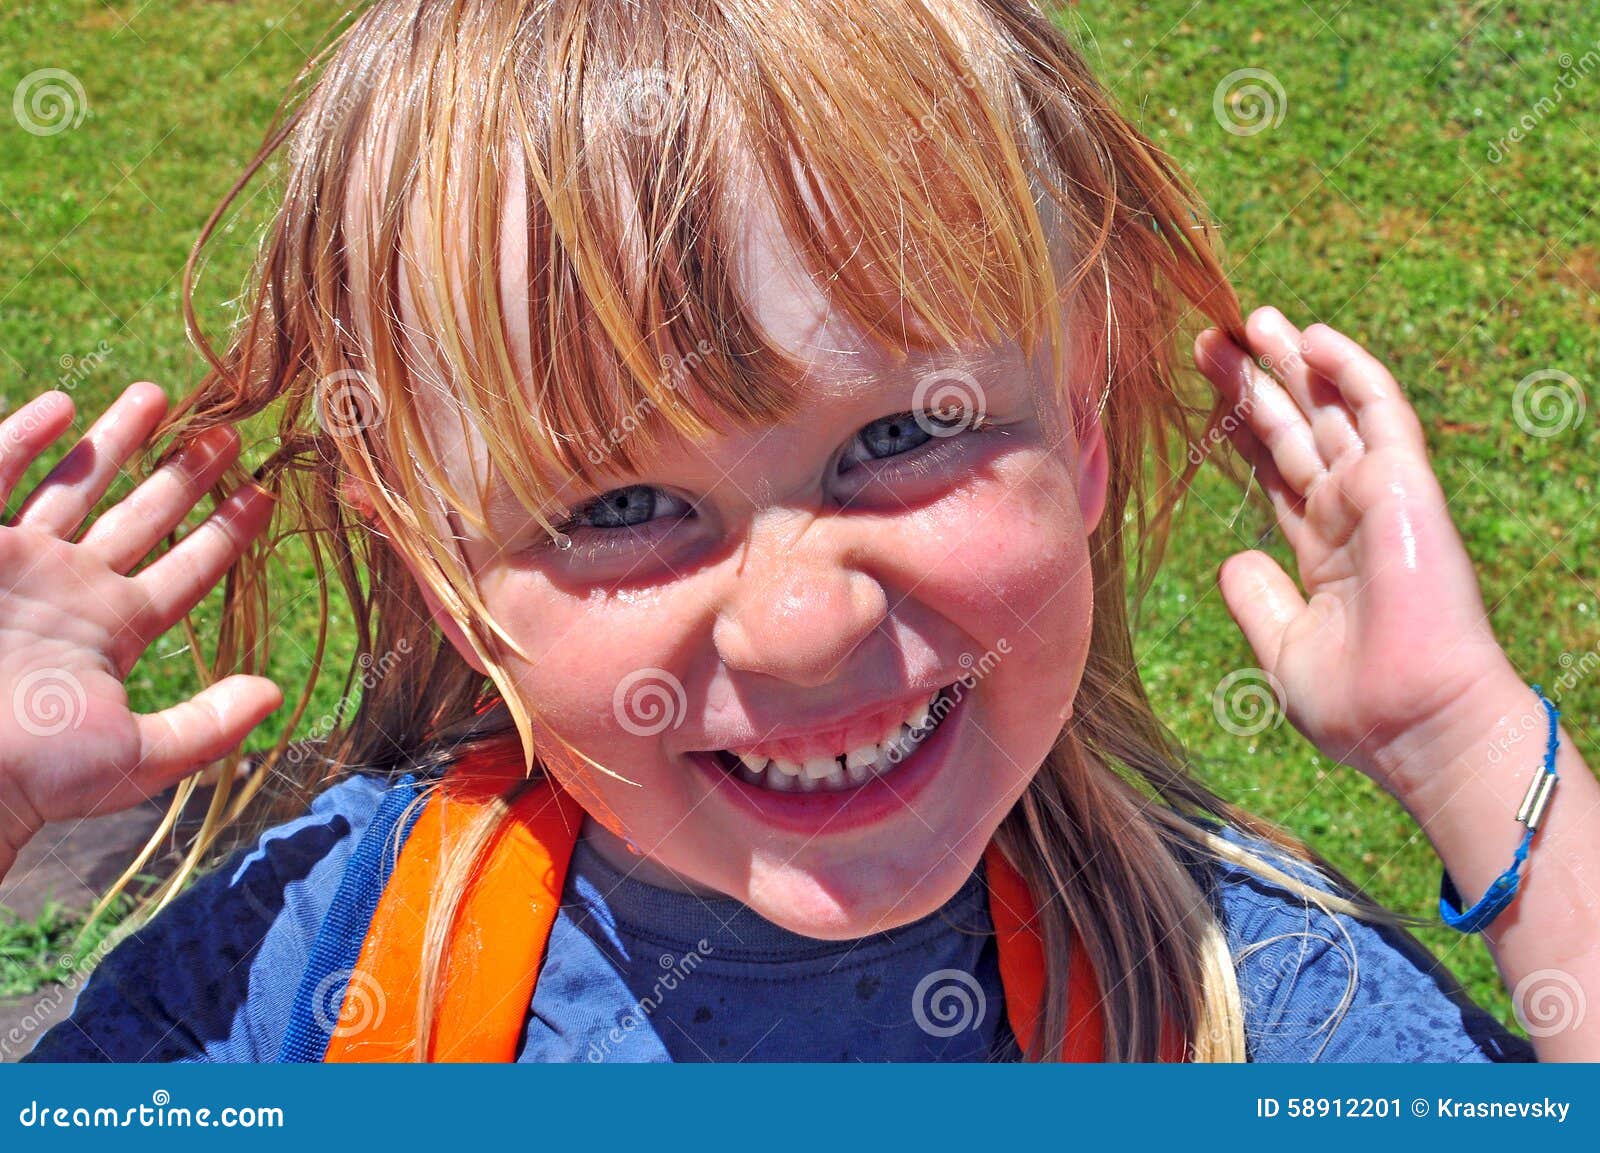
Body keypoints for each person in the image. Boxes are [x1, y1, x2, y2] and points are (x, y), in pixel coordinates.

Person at [4, 0, 1595, 1062]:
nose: (802, 622)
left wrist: (1460, 744)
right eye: (618, 505)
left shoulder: (1235, 1003)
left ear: (1086, 427)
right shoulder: (322, 971)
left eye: (901, 436)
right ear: (436, 560)